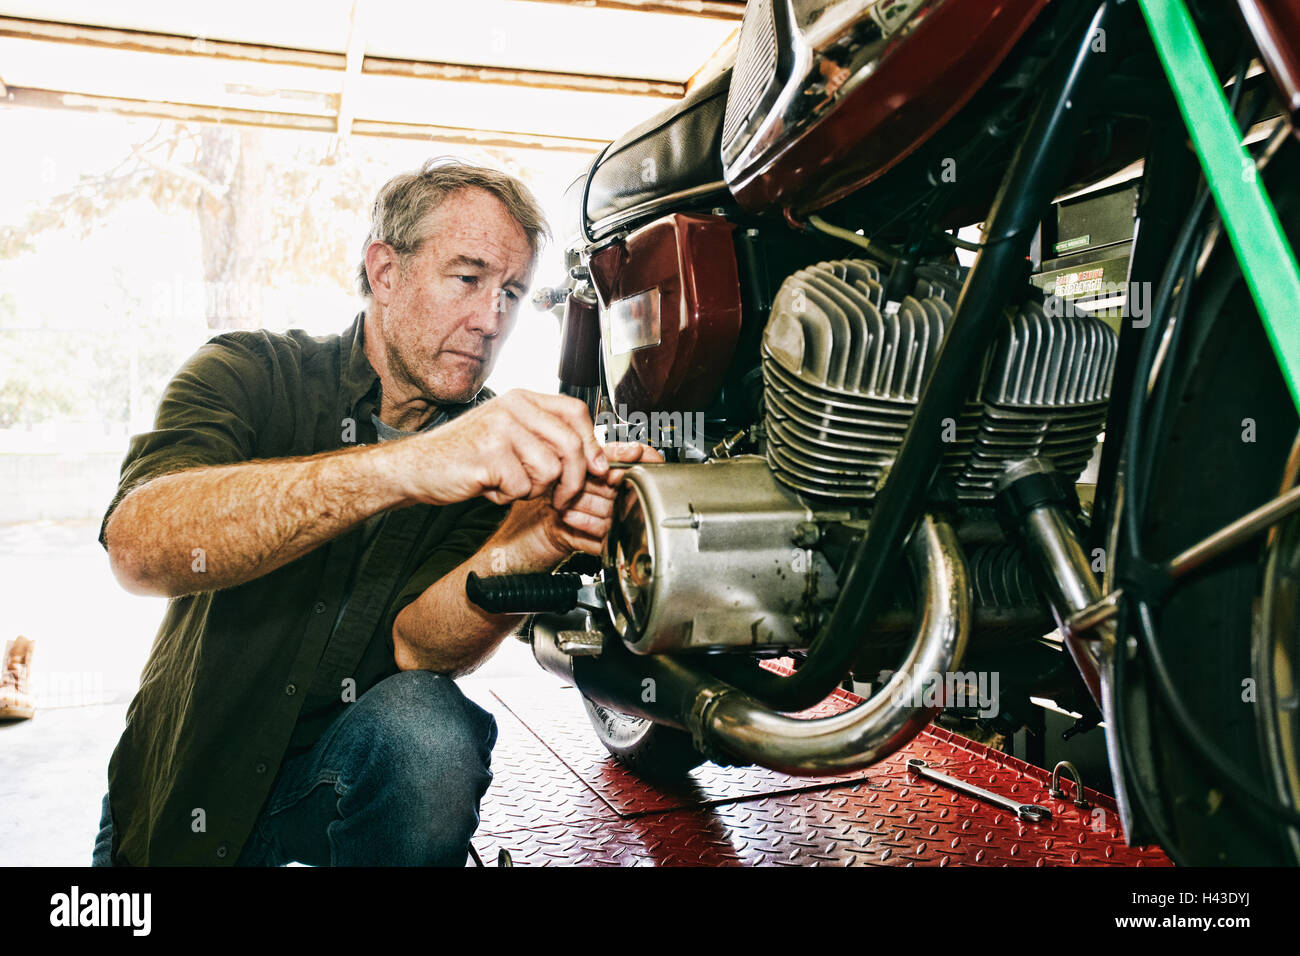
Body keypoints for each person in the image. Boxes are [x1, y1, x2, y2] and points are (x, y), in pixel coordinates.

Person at [92, 159, 657, 866]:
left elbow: (422, 647)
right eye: (468, 277)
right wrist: (408, 465)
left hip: (332, 784)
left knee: (427, 727)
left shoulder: (498, 457)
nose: (492, 319)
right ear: (385, 272)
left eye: (511, 291)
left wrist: (537, 536)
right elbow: (139, 546)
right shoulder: (247, 372)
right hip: (182, 792)